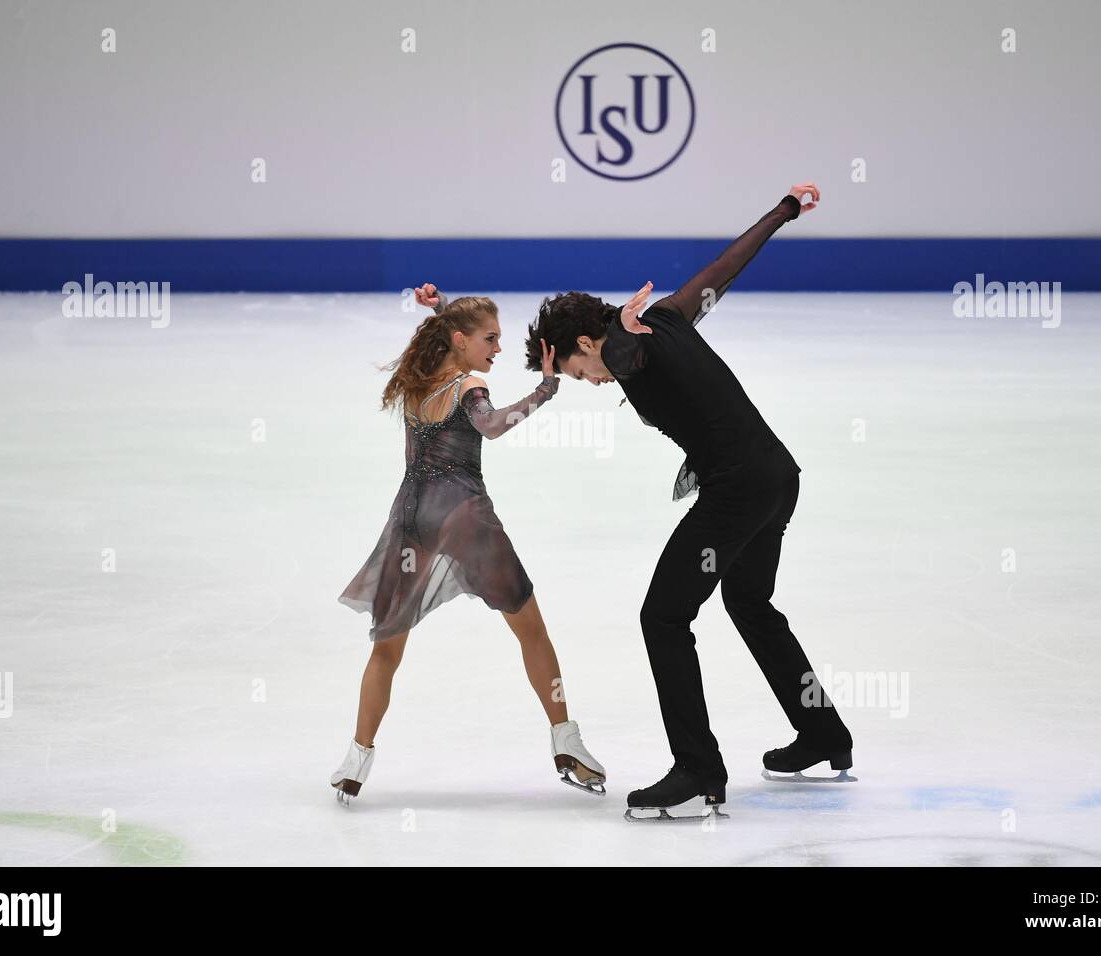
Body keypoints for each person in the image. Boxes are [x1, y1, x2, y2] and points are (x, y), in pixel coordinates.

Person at [523, 183, 853, 821]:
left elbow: (628, 354)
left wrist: (617, 340)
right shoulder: (671, 314)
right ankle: (823, 734)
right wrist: (782, 211)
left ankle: (699, 770)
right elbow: (724, 269)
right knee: (749, 601)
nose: (586, 382)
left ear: (585, 344)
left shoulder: (624, 345)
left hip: (741, 491)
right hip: (776, 476)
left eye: (572, 369)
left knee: (664, 617)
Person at [333, 287, 606, 803]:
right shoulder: (469, 385)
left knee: (386, 649)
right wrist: (547, 389)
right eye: (491, 339)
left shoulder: (417, 382)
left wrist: (443, 311)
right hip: (463, 518)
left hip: (411, 520)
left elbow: (452, 337)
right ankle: (565, 742)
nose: (498, 349)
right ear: (461, 342)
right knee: (531, 630)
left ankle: (356, 759)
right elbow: (491, 425)